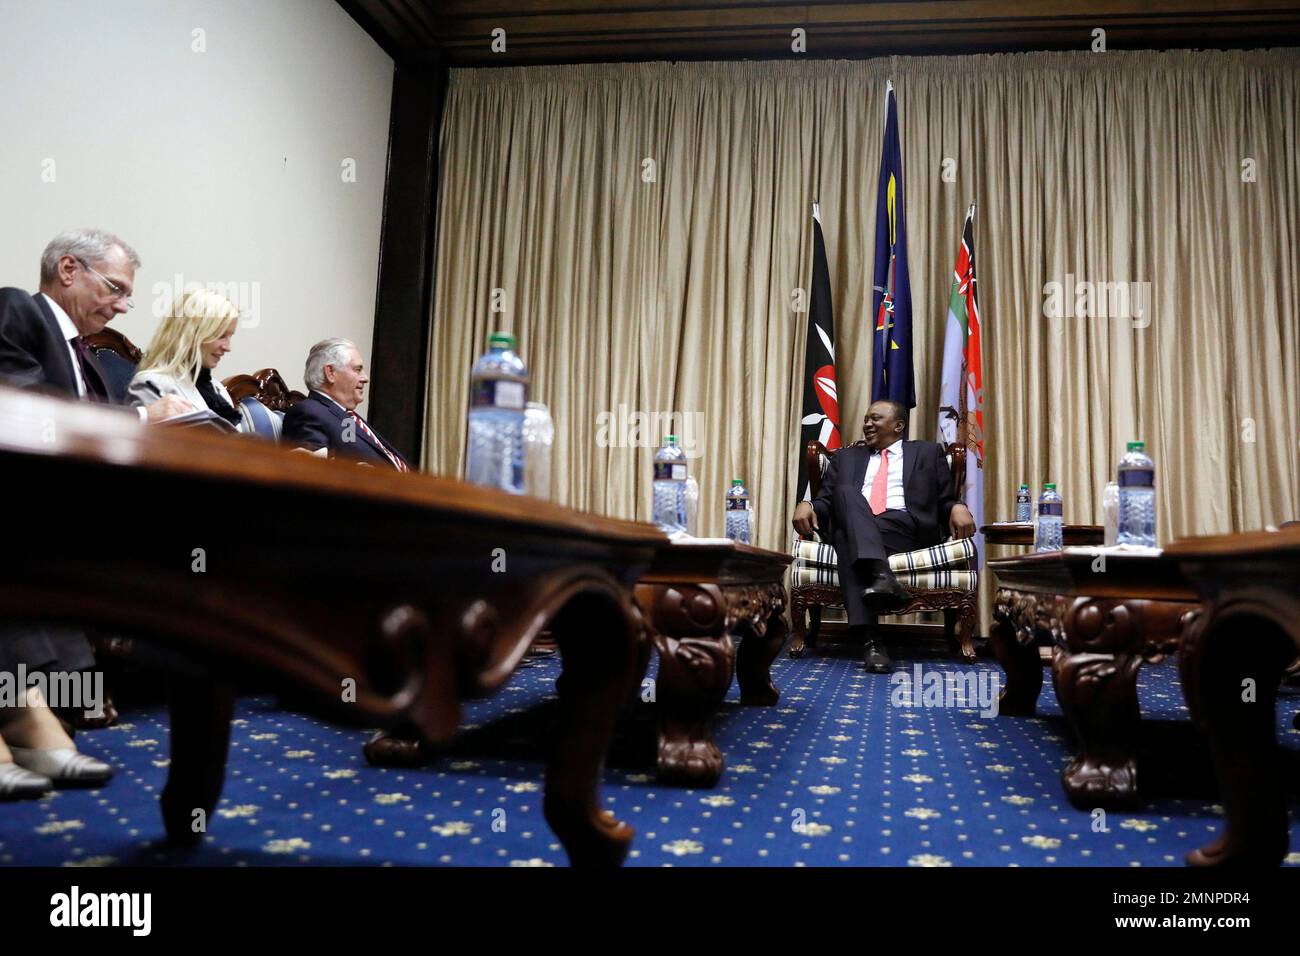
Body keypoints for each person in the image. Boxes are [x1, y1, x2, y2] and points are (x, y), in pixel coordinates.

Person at [792, 399, 977, 672]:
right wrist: (806, 503)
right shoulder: (845, 457)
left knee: (846, 538)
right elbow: (826, 502)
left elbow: (945, 498)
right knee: (845, 497)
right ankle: (882, 579)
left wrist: (958, 506)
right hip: (855, 522)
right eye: (866, 418)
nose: (867, 423)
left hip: (904, 527)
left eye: (876, 418)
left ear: (898, 426)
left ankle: (871, 640)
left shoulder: (927, 453)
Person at [0, 228, 191, 422]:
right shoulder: (18, 309)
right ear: (68, 270)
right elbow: (24, 411)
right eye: (115, 288)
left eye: (127, 297)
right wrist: (144, 415)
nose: (122, 307)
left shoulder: (87, 358)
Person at [282, 338, 409, 470]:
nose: (365, 378)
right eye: (358, 369)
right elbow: (312, 473)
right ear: (330, 373)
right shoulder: (308, 412)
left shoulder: (346, 416)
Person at [128, 288, 245, 429]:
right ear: (190, 334)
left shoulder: (218, 389)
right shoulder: (151, 384)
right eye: (220, 335)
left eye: (230, 336)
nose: (227, 347)